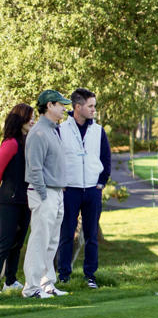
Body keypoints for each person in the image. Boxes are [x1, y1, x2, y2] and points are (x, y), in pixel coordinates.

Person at [57, 88, 111, 288]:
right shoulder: (61, 129)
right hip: (69, 190)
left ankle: (90, 276)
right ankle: (63, 275)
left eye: (94, 106)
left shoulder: (98, 131)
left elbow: (106, 158)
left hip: (92, 190)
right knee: (66, 234)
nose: (94, 110)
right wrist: (61, 183)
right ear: (77, 107)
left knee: (91, 236)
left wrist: (101, 182)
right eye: (90, 106)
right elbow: (56, 159)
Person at [22, 90, 70, 298]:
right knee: (40, 240)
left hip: (56, 193)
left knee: (51, 240)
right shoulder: (39, 132)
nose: (64, 108)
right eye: (60, 104)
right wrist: (43, 195)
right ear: (49, 105)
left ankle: (46, 283)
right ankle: (31, 288)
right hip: (44, 193)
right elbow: (35, 169)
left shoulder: (52, 129)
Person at [0, 104, 35, 293]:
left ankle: (10, 281)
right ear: (20, 119)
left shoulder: (27, 141)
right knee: (4, 243)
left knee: (17, 243)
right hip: (8, 201)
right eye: (30, 117)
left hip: (24, 201)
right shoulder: (11, 144)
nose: (32, 120)